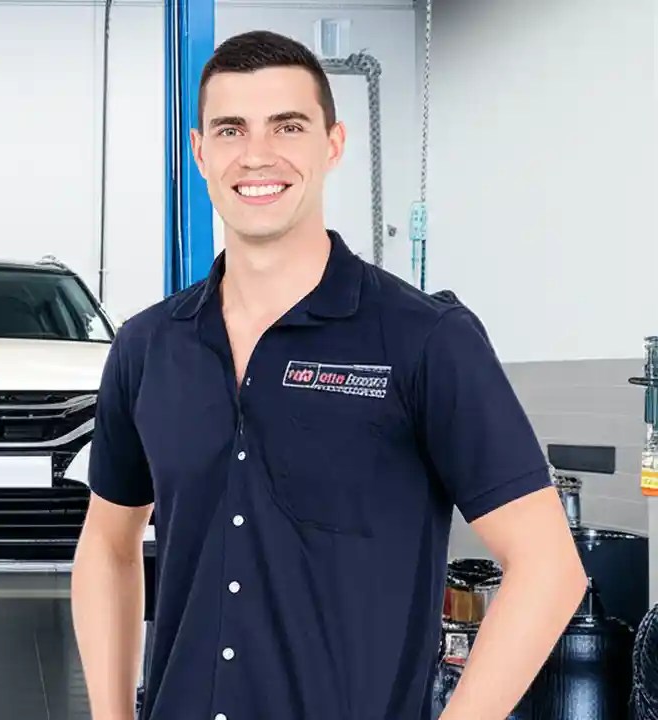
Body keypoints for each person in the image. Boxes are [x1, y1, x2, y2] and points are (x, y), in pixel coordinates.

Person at [70, 29, 588, 720]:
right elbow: (107, 545)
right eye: (230, 129)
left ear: (333, 144)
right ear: (199, 152)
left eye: (287, 126)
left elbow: (548, 569)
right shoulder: (146, 347)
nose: (257, 155)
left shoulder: (423, 341)